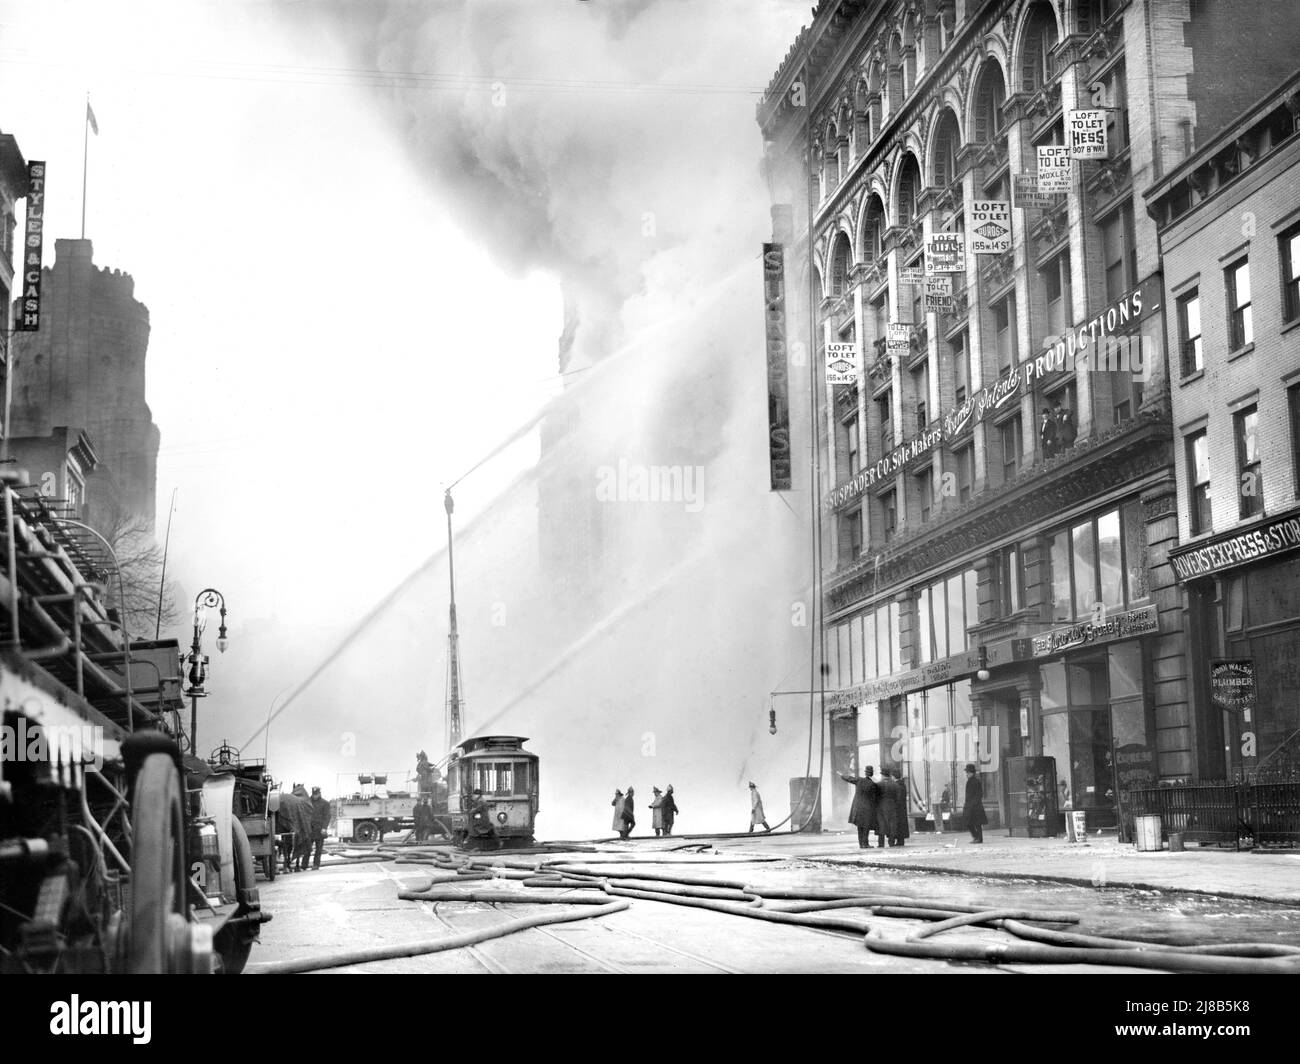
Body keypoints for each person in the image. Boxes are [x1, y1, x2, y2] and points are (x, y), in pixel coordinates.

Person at [839, 766, 880, 849]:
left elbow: (850, 778)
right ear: (872, 774)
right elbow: (875, 798)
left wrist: (842, 775)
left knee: (859, 826)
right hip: (867, 808)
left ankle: (861, 844)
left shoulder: (859, 780)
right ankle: (866, 844)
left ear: (865, 773)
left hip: (857, 808)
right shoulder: (873, 785)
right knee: (866, 827)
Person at [874, 771, 901, 849]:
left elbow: (875, 797)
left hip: (880, 807)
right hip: (892, 806)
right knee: (892, 824)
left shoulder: (878, 784)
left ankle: (881, 843)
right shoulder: (895, 785)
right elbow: (898, 797)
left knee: (881, 824)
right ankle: (891, 842)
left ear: (882, 775)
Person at [291, 784, 314, 871]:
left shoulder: (292, 799)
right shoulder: (307, 801)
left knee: (290, 844)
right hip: (304, 827)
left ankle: (288, 864)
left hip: (294, 825)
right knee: (303, 844)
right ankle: (299, 864)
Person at [309, 786, 331, 869]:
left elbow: (327, 816)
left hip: (320, 829)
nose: (315, 796)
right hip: (310, 829)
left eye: (316, 794)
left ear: (319, 793)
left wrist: (324, 828)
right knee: (307, 848)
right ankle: (303, 865)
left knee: (318, 849)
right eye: (314, 794)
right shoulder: (307, 801)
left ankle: (316, 865)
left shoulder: (325, 803)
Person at [964, 763, 987, 844]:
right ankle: (977, 837)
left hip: (974, 806)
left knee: (975, 823)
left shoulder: (974, 781)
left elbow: (978, 794)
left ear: (971, 773)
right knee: (974, 823)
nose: (966, 774)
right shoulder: (971, 781)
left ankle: (978, 838)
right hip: (972, 805)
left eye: (967, 772)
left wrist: (972, 804)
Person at [888, 769, 911, 847]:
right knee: (901, 824)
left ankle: (897, 840)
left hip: (897, 808)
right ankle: (901, 840)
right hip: (902, 808)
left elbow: (895, 797)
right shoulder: (902, 784)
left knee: (897, 824)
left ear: (893, 776)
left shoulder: (896, 785)